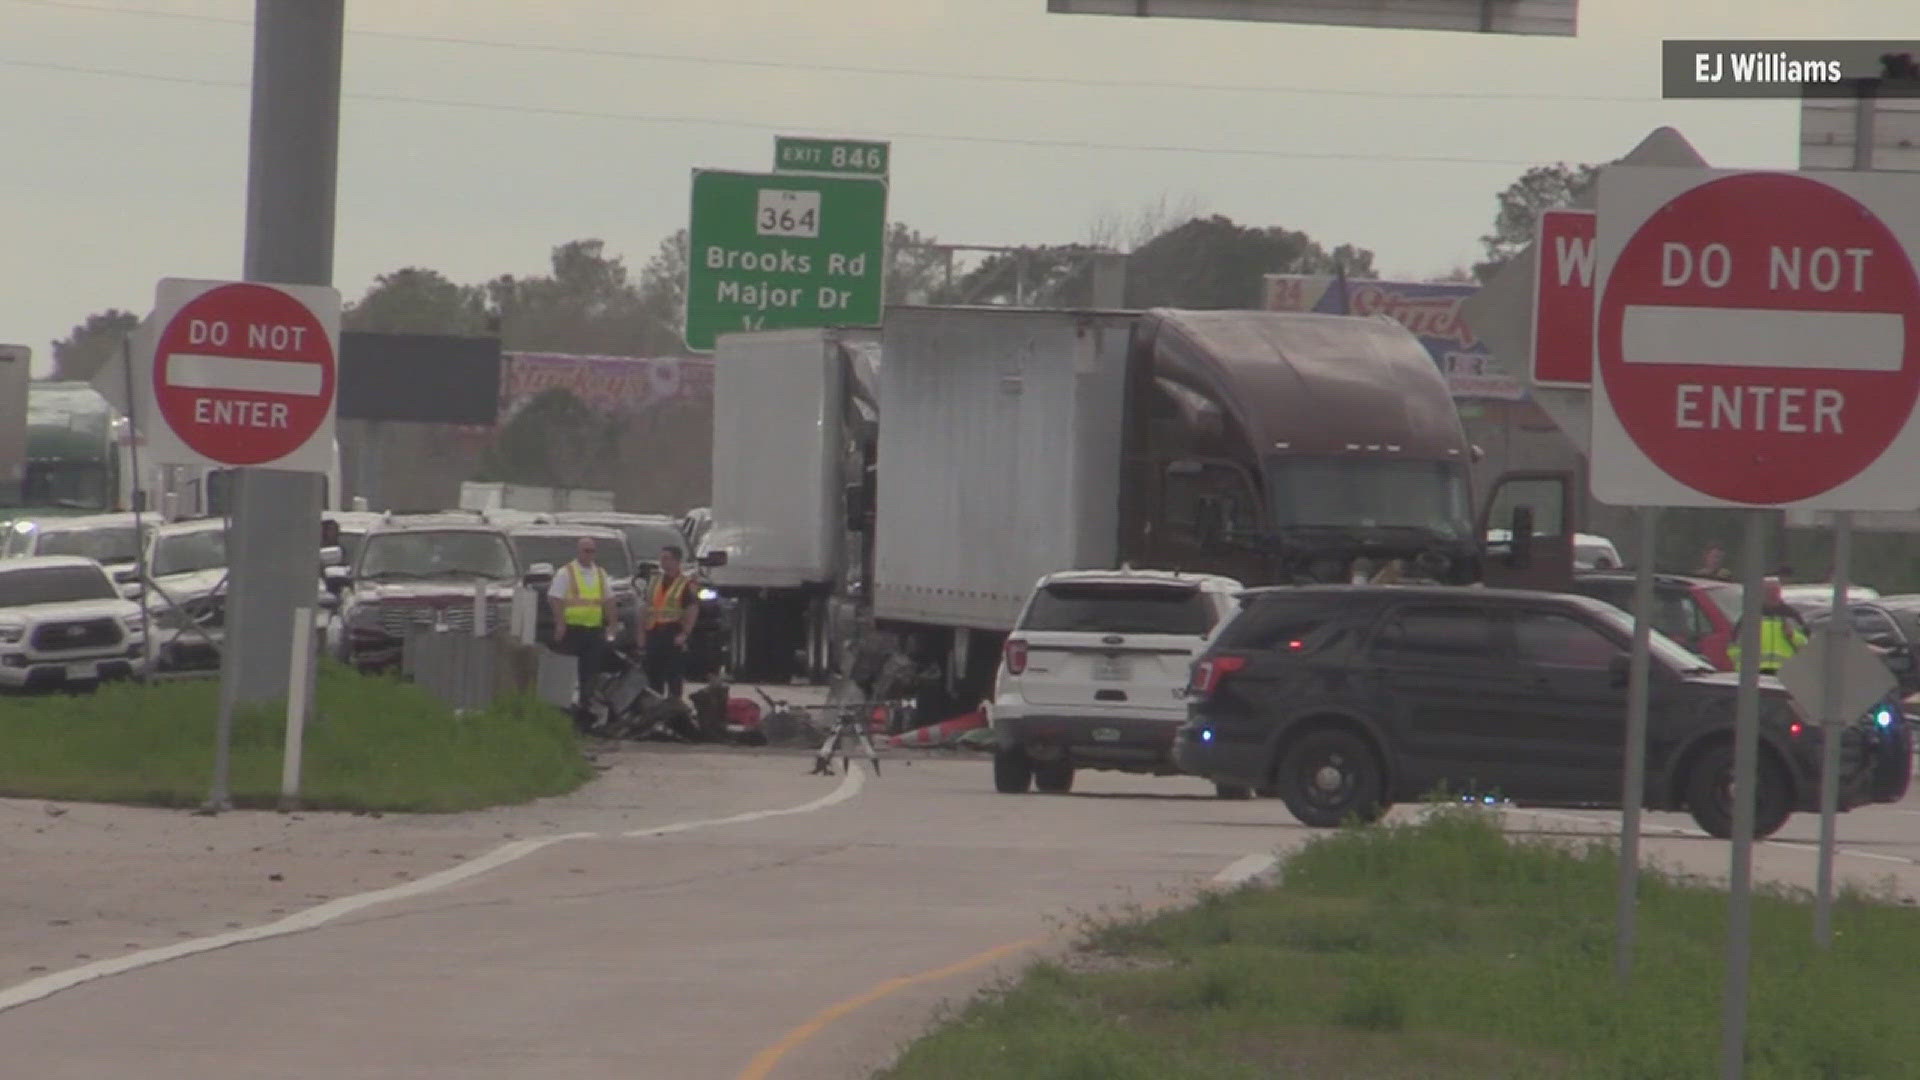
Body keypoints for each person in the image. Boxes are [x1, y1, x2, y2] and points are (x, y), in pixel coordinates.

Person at [547, 536, 618, 726]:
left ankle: (585, 711)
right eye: (586, 551)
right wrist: (560, 623)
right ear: (578, 552)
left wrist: (612, 625)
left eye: (592, 551)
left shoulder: (601, 574)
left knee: (590, 672)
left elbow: (609, 600)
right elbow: (555, 598)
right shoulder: (566, 572)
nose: (589, 555)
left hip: (593, 631)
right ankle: (566, 709)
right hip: (572, 631)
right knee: (569, 672)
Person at [644, 545, 700, 700]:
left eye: (666, 558)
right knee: (653, 675)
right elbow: (646, 606)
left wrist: (685, 633)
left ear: (677, 561)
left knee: (674, 675)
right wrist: (642, 634)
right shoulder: (655, 580)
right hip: (654, 632)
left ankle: (673, 709)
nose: (662, 562)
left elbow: (692, 609)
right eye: (661, 558)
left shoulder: (685, 583)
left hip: (673, 633)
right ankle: (655, 709)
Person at [1727, 577, 1808, 675]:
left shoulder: (1791, 615)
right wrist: (1743, 669)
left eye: (1775, 591)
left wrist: (1792, 635)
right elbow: (1734, 648)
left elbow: (1807, 646)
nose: (1772, 595)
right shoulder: (1750, 616)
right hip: (1755, 674)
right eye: (1768, 591)